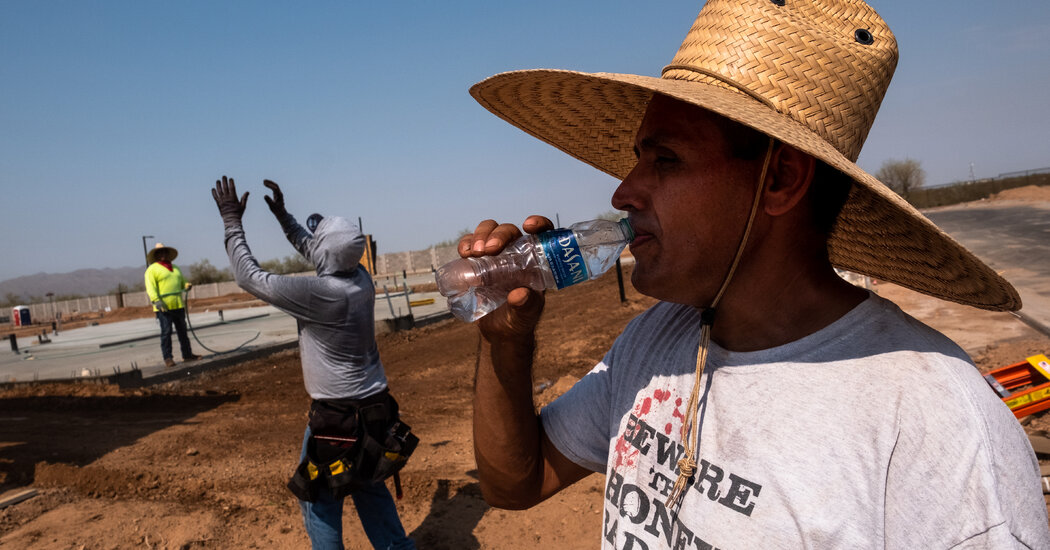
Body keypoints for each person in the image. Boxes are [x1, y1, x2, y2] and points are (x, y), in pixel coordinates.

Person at [461, 0, 1050, 547]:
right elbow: (517, 483)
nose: (623, 192)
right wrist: (505, 343)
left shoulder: (940, 435)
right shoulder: (656, 340)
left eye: (665, 160)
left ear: (780, 180)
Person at [211, 176, 415, 550]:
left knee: (318, 501)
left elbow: (249, 276)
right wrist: (283, 217)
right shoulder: (361, 278)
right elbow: (318, 251)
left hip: (336, 420)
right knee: (371, 489)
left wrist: (231, 221)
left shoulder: (320, 295)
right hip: (376, 411)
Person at [144, 242, 200, 368]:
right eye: (160, 253)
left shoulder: (175, 268)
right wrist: (156, 300)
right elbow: (150, 288)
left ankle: (187, 354)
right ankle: (168, 357)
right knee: (166, 332)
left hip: (178, 305)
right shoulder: (151, 270)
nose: (163, 254)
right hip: (163, 307)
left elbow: (182, 281)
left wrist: (186, 285)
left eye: (164, 252)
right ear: (156, 255)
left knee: (182, 331)